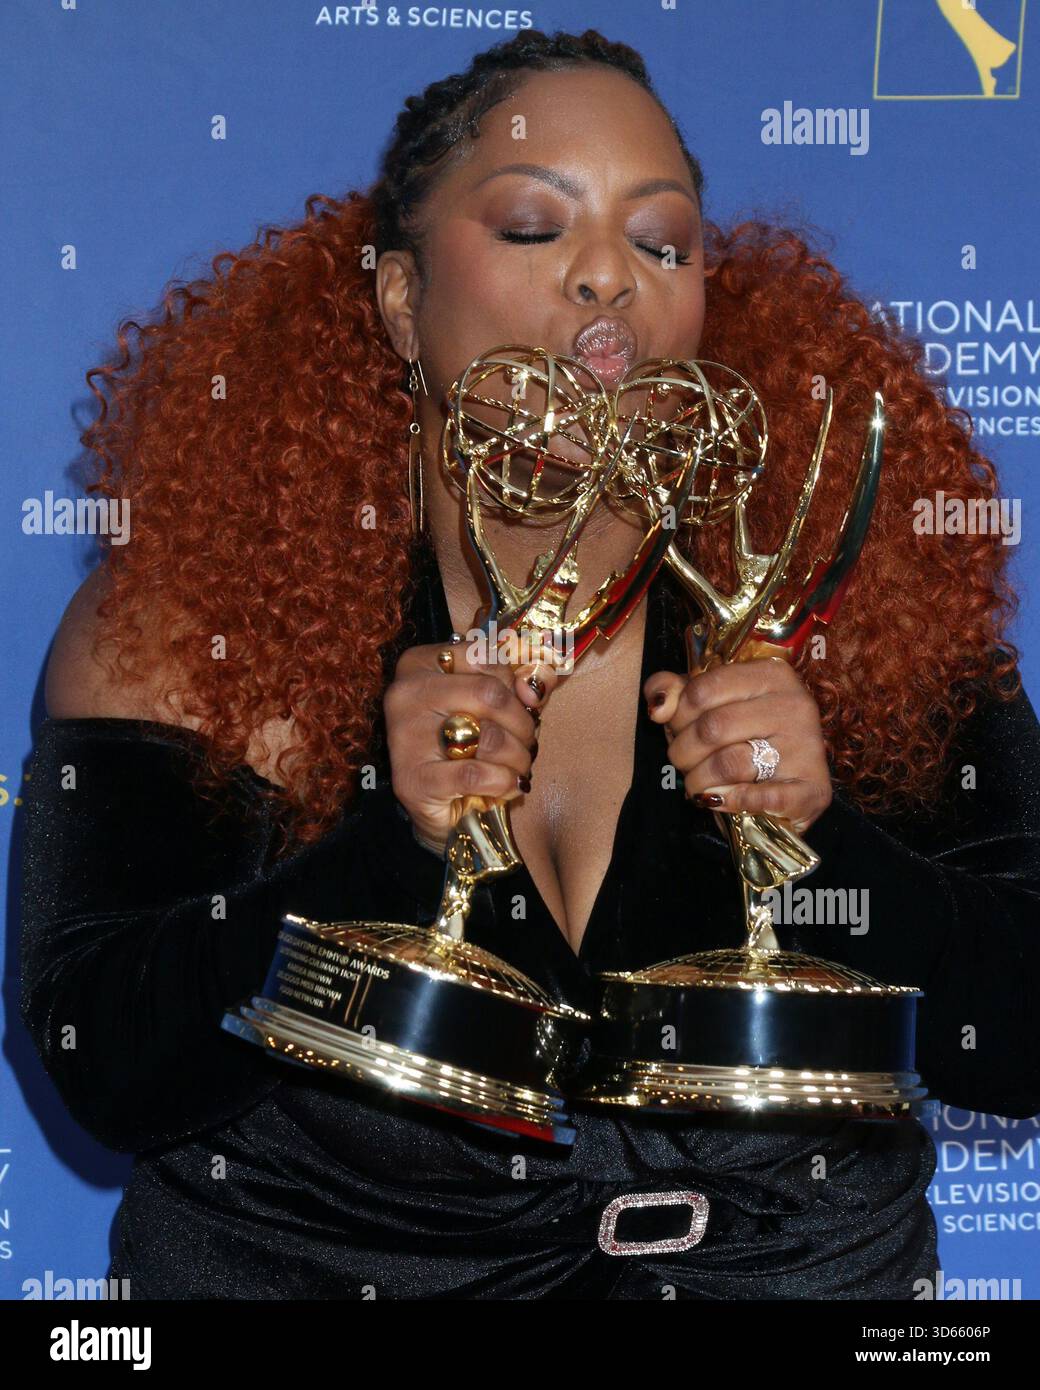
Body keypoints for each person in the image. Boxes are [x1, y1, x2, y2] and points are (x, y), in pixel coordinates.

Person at [19, 28, 1040, 1300]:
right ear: (399, 298)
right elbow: (100, 1061)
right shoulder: (193, 630)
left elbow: (1020, 1036)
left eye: (658, 241)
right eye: (531, 228)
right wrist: (382, 852)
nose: (607, 276)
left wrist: (819, 836)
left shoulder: (856, 611)